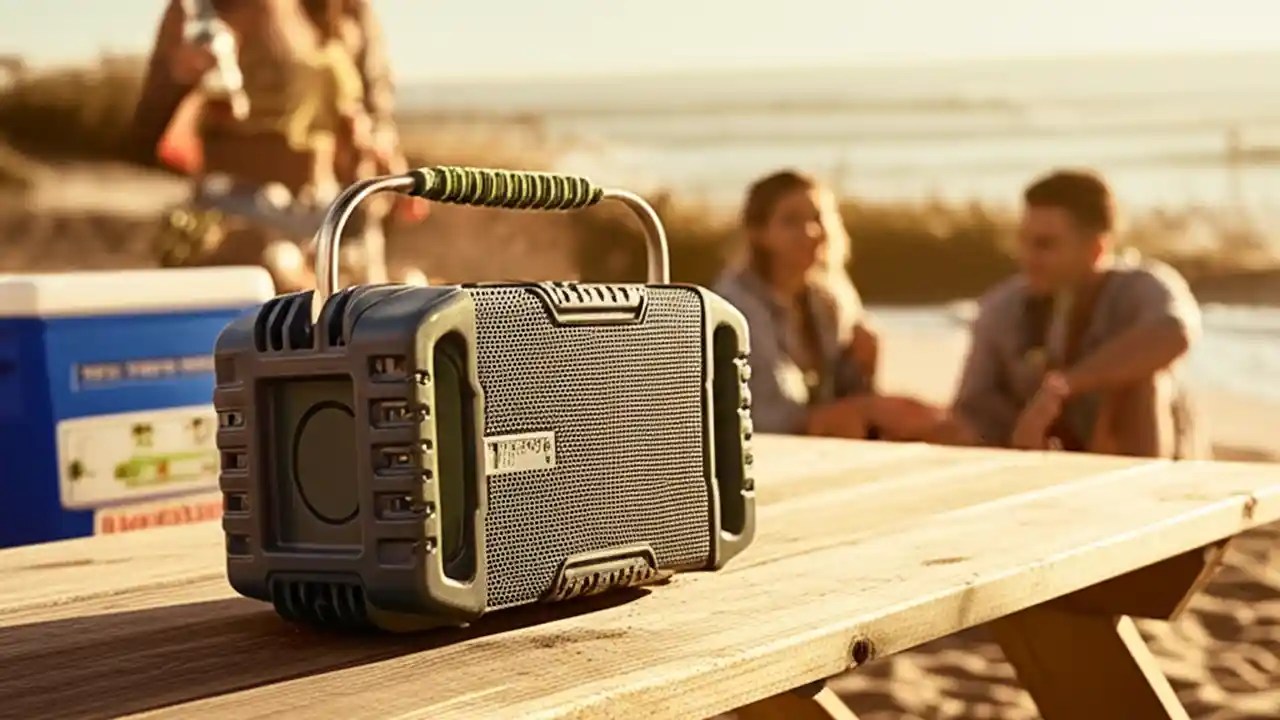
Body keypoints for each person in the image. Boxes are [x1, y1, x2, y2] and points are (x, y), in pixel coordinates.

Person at [130, 0, 419, 291]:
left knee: (381, 309)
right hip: (237, 214)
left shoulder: (347, 9)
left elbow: (374, 108)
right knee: (282, 285)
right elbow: (144, 135)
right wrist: (180, 76)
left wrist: (381, 154)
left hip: (331, 212)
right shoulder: (200, 8)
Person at [927, 169, 1206, 459]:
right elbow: (971, 408)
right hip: (1044, 458)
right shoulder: (1003, 306)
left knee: (1140, 381)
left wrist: (1066, 386)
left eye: (1045, 245)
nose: (1028, 257)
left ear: (1096, 249)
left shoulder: (1142, 285)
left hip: (1155, 459)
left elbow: (1176, 333)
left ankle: (1140, 490)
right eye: (1024, 241)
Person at [714, 170, 944, 440]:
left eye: (817, 218)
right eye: (791, 221)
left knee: (934, 422)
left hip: (817, 442)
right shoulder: (735, 307)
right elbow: (765, 415)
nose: (811, 232)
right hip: (756, 447)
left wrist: (866, 365)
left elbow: (844, 397)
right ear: (759, 233)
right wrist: (864, 409)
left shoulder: (828, 294)